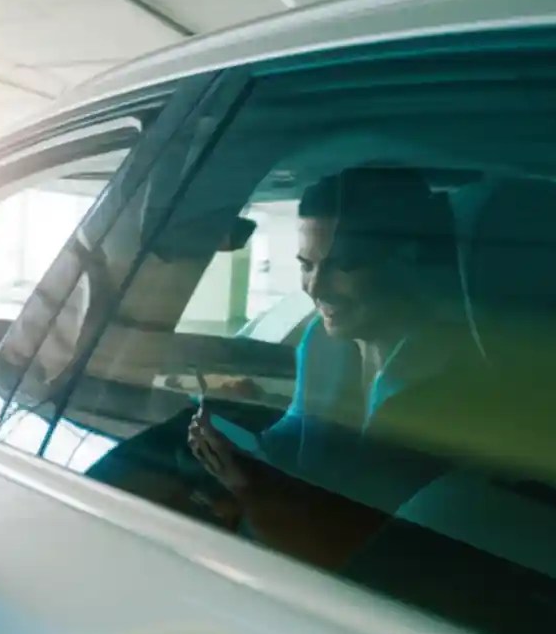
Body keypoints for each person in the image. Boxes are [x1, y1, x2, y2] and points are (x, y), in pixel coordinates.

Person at [187, 167, 473, 567]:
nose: (316, 287)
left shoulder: (459, 380)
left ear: (408, 257)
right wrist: (243, 438)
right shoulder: (322, 344)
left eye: (343, 265)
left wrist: (250, 488)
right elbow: (301, 436)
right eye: (306, 265)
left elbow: (368, 551)